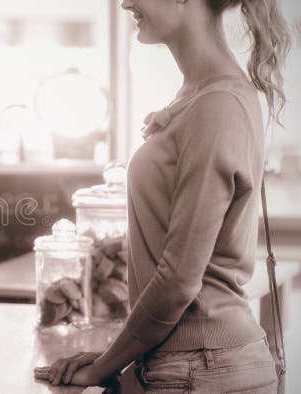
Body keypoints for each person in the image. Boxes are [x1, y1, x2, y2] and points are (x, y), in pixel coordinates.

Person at [36, 0, 290, 392]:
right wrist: (116, 351)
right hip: (193, 361)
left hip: (203, 367)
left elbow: (178, 282)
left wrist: (104, 366)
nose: (125, 3)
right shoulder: (200, 98)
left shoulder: (217, 106)